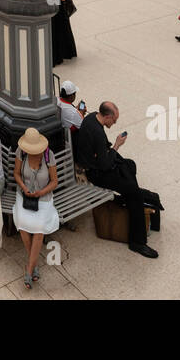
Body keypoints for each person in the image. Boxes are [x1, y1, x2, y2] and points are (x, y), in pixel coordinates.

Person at [75, 102, 158, 258]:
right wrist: (117, 145)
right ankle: (137, 242)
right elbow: (105, 165)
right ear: (107, 116)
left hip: (96, 164)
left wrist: (104, 152)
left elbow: (99, 153)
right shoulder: (98, 133)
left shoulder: (92, 117)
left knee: (129, 166)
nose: (114, 123)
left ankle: (132, 199)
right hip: (97, 173)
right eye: (114, 120)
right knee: (134, 192)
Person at [12, 127, 59, 290]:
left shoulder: (48, 155)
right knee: (23, 227)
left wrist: (41, 192)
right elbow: (16, 173)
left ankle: (29, 270)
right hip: (24, 196)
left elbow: (54, 181)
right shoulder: (21, 152)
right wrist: (24, 187)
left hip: (44, 197)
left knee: (38, 229)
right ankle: (34, 264)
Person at [47, 0, 76, 65]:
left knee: (63, 33)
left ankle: (66, 53)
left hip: (61, 13)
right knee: (54, 34)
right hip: (52, 12)